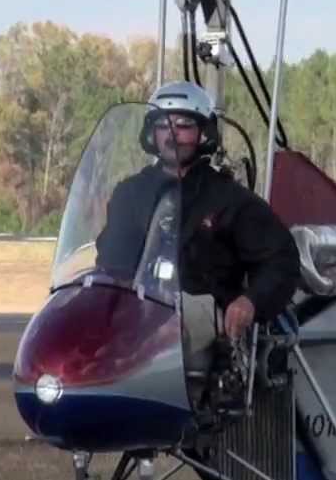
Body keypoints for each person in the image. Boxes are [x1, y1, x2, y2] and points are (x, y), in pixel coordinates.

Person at [95, 80, 301, 342]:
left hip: (204, 316)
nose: (172, 134)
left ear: (204, 132)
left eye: (183, 125)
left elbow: (280, 259)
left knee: (171, 328)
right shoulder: (130, 194)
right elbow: (111, 262)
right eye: (163, 125)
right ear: (151, 134)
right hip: (137, 308)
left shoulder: (229, 198)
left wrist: (250, 301)